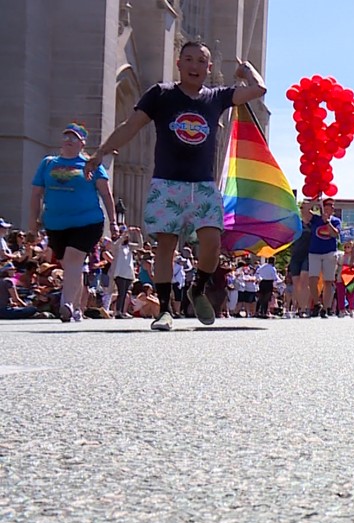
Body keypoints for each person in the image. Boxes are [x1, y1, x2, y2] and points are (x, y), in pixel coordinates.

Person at [85, 41, 267, 330]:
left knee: (211, 243)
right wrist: (100, 153)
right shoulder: (161, 95)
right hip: (167, 184)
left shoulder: (216, 97)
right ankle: (164, 310)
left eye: (201, 61)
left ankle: (197, 289)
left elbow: (258, 91)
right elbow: (130, 126)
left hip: (203, 186)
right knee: (166, 245)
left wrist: (248, 71)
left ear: (209, 68)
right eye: (189, 59)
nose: (195, 66)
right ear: (179, 63)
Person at [28, 123, 115, 323]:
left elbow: (106, 194)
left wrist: (114, 223)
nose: (69, 140)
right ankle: (76, 307)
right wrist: (33, 225)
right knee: (70, 265)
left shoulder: (91, 164)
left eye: (74, 137)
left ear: (82, 143)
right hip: (56, 223)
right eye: (66, 136)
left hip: (87, 221)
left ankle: (66, 304)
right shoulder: (48, 163)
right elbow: (36, 195)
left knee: (74, 259)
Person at [306, 198, 341, 318]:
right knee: (312, 280)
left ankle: (325, 308)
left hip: (329, 252)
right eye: (326, 205)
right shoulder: (315, 219)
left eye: (331, 206)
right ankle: (316, 303)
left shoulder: (336, 221)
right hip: (314, 252)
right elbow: (304, 211)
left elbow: (335, 234)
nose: (328, 208)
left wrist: (327, 222)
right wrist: (314, 202)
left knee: (328, 281)